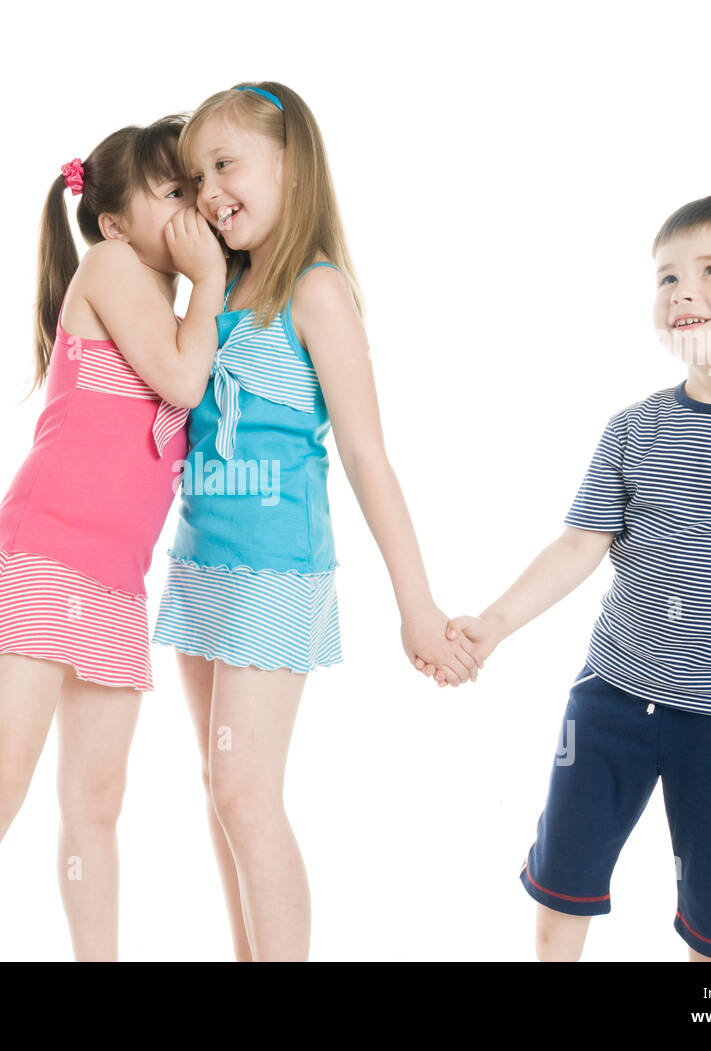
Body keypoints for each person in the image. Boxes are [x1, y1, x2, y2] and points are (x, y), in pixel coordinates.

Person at [446, 193, 711, 961]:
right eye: (666, 277)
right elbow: (579, 545)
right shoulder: (634, 426)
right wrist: (493, 622)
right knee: (561, 879)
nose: (681, 291)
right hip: (610, 696)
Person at [152, 81, 479, 962]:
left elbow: (369, 456)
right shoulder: (217, 285)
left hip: (275, 572)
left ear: (291, 164)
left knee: (247, 792)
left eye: (227, 164)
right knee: (222, 791)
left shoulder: (315, 289)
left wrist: (416, 605)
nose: (211, 190)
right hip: (198, 564)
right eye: (196, 176)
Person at [0, 117, 227, 961]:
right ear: (114, 220)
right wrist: (214, 279)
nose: (192, 208)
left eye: (194, 190)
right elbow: (185, 378)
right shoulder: (114, 266)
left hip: (115, 583)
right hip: (44, 557)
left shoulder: (167, 301)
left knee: (96, 801)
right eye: (171, 192)